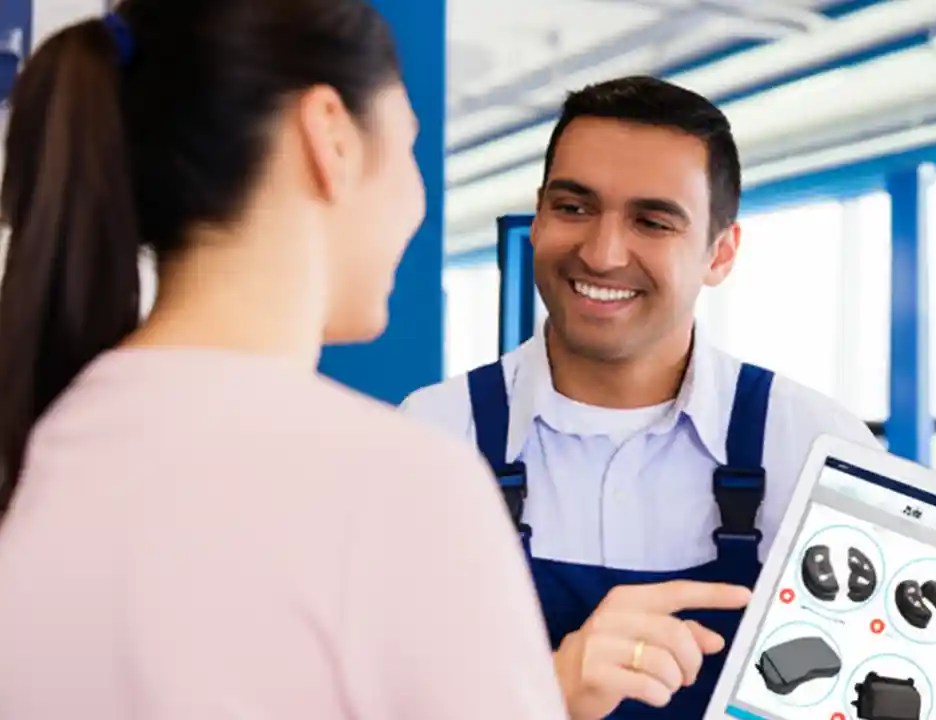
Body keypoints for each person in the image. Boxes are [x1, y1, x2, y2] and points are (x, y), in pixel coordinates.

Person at [400, 75, 936, 719]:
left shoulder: (812, 445)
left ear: (720, 253)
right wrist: (546, 699)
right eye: (574, 208)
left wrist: (935, 675)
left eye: (653, 222)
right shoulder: (428, 440)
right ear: (539, 217)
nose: (602, 252)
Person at [0, 2, 566, 718]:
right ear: (330, 136)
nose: (416, 201)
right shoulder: (402, 492)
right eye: (410, 148)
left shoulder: (41, 450)